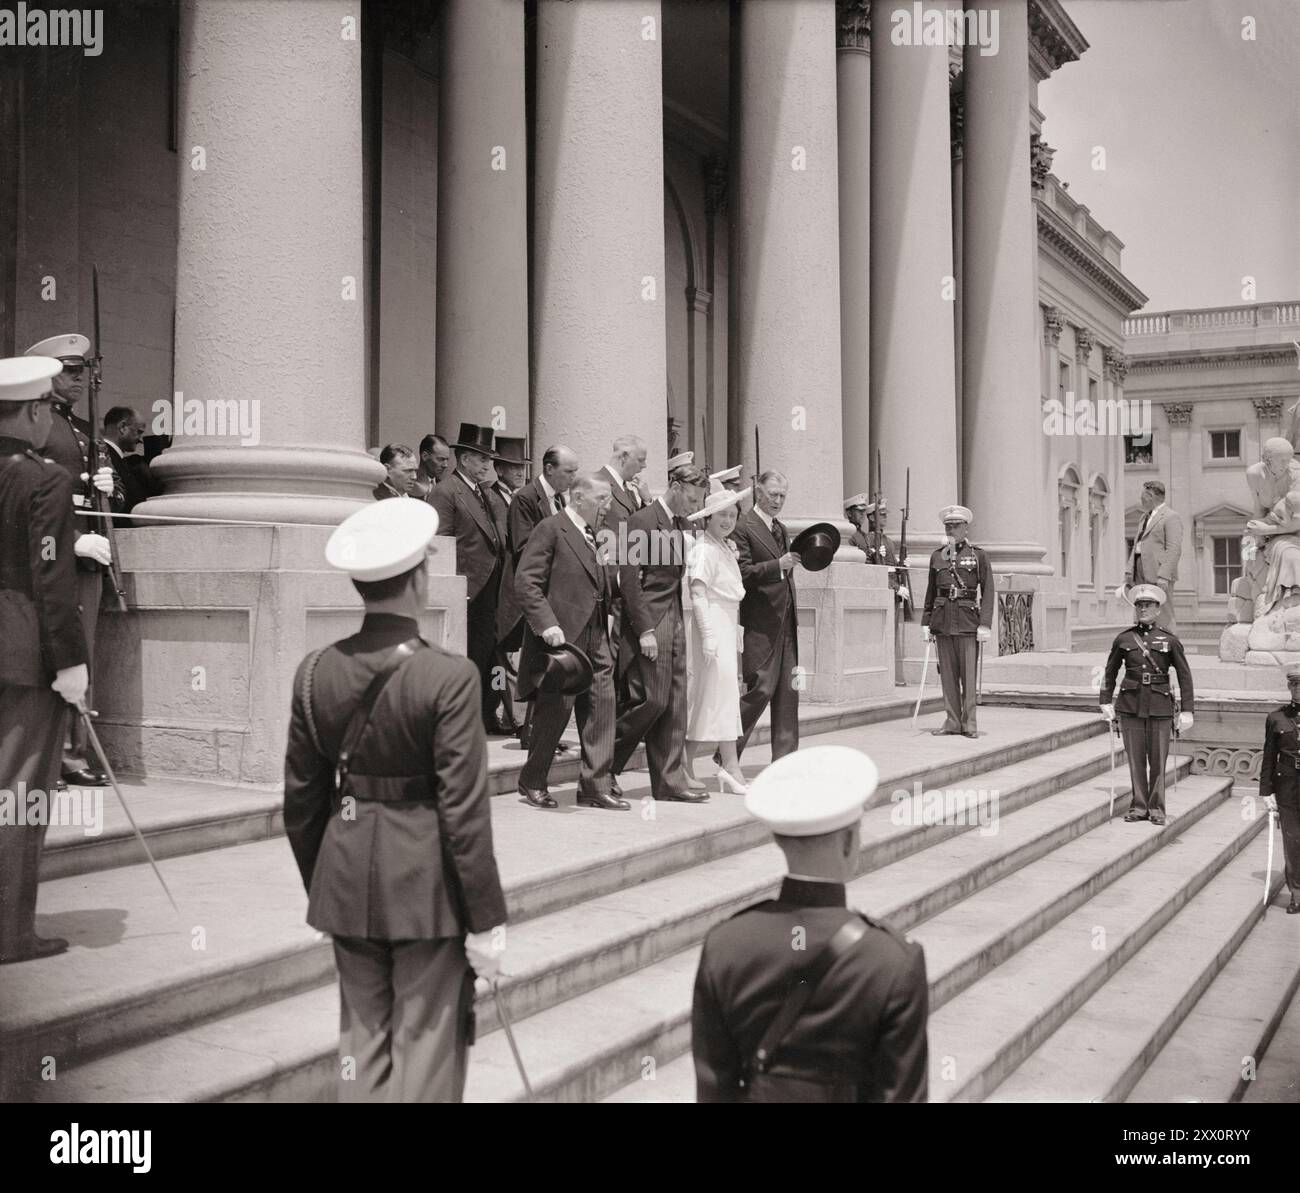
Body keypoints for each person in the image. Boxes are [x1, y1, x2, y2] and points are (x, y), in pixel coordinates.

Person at [283, 498, 507, 1102]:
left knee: (363, 1049)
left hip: (348, 878)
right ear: (418, 580)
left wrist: (327, 884)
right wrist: (484, 919)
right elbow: (463, 811)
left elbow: (302, 806)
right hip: (426, 887)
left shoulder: (313, 672)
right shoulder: (450, 676)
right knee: (426, 1055)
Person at [691, 746, 929, 1102]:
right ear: (849, 840)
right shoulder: (892, 961)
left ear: (777, 838)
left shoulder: (726, 944)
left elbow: (714, 1091)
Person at [0, 356, 90, 964]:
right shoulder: (44, 478)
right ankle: (9, 933)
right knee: (18, 793)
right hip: (23, 648)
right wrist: (71, 663)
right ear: (35, 410)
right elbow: (51, 580)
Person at [25, 333, 119, 788]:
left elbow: (117, 499)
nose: (80, 379)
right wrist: (73, 540)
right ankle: (51, 756)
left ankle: (73, 752)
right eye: (70, 370)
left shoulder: (84, 429)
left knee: (81, 655)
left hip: (89, 560)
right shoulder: (36, 427)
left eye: (83, 370)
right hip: (55, 554)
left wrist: (109, 486)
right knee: (51, 656)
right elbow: (30, 498)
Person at [514, 476, 624, 811]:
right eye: (602, 499)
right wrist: (546, 624)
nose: (608, 506)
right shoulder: (551, 528)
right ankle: (533, 780)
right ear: (578, 497)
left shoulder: (594, 536)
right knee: (555, 713)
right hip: (564, 638)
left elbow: (602, 583)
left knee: (602, 709)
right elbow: (526, 581)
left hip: (597, 634)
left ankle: (595, 784)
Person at [613, 463, 710, 802]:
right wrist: (644, 630)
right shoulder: (642, 521)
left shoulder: (683, 525)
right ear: (674, 485)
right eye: (692, 498)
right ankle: (603, 762)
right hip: (651, 621)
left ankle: (669, 781)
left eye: (699, 501)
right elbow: (629, 580)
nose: (694, 507)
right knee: (651, 700)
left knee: (675, 702)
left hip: (675, 616)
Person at [430, 423, 510, 735]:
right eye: (482, 459)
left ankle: (489, 713)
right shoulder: (446, 492)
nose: (488, 465)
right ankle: (469, 718)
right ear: (464, 460)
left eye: (489, 459)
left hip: (492, 589)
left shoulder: (485, 494)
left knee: (493, 658)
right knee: (473, 657)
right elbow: (439, 543)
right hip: (468, 590)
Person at [1099, 584, 1194, 827]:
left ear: (1158, 609)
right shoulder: (1124, 639)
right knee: (1136, 759)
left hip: (1160, 706)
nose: (1143, 609)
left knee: (1158, 760)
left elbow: (1185, 676)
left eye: (1148, 605)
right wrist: (1105, 701)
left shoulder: (1169, 640)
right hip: (1130, 706)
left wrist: (1187, 710)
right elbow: (1110, 673)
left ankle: (1157, 808)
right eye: (1139, 605)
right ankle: (1139, 806)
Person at [506, 444, 580, 749]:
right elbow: (525, 547)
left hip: (556, 593)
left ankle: (542, 732)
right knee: (536, 666)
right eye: (568, 472)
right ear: (549, 468)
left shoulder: (562, 499)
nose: (573, 478)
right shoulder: (525, 498)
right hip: (536, 593)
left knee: (549, 667)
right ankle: (530, 732)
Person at [684, 486, 750, 795]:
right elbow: (697, 593)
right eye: (721, 515)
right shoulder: (704, 549)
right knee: (707, 695)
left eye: (732, 515)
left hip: (726, 623)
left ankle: (730, 767)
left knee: (724, 697)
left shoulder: (723, 547)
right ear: (708, 517)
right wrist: (708, 636)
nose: (727, 520)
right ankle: (685, 764)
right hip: (711, 625)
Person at [732, 470, 801, 761]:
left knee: (788, 691)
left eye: (782, 496)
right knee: (759, 688)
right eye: (773, 494)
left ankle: (785, 759)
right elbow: (743, 573)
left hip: (785, 620)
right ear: (758, 492)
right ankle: (727, 753)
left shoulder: (781, 528)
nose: (778, 500)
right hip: (760, 622)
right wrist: (778, 565)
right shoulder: (743, 526)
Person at [921, 505, 992, 738]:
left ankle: (969, 724)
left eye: (956, 526)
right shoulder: (936, 556)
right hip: (943, 622)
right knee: (948, 676)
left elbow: (988, 590)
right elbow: (931, 591)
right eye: (948, 526)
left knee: (968, 677)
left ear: (966, 528)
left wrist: (985, 624)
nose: (951, 529)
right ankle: (952, 721)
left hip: (967, 621)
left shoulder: (978, 555)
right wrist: (926, 621)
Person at [1259, 662, 1300, 914]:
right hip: (1287, 787)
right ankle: (1296, 892)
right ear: (1288, 686)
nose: (1298, 689)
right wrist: (1266, 792)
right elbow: (1268, 756)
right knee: (1293, 840)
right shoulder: (1276, 718)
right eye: (1294, 685)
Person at [1125, 480, 1182, 632]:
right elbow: (1137, 544)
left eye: (1142, 495)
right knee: (1143, 611)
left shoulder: (1171, 517)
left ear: (1150, 495)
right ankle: (1146, 647)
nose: (1140, 499)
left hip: (1158, 573)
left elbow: (1174, 548)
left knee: (1163, 613)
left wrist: (1164, 575)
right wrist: (1129, 570)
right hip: (1140, 571)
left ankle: (1169, 649)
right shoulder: (1143, 518)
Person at [102, 405, 162, 512]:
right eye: (139, 432)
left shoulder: (115, 458)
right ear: (122, 427)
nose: (140, 440)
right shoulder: (104, 457)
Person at [412, 432, 451, 501]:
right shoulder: (409, 485)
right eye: (441, 459)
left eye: (447, 460)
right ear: (425, 456)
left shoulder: (445, 488)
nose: (445, 465)